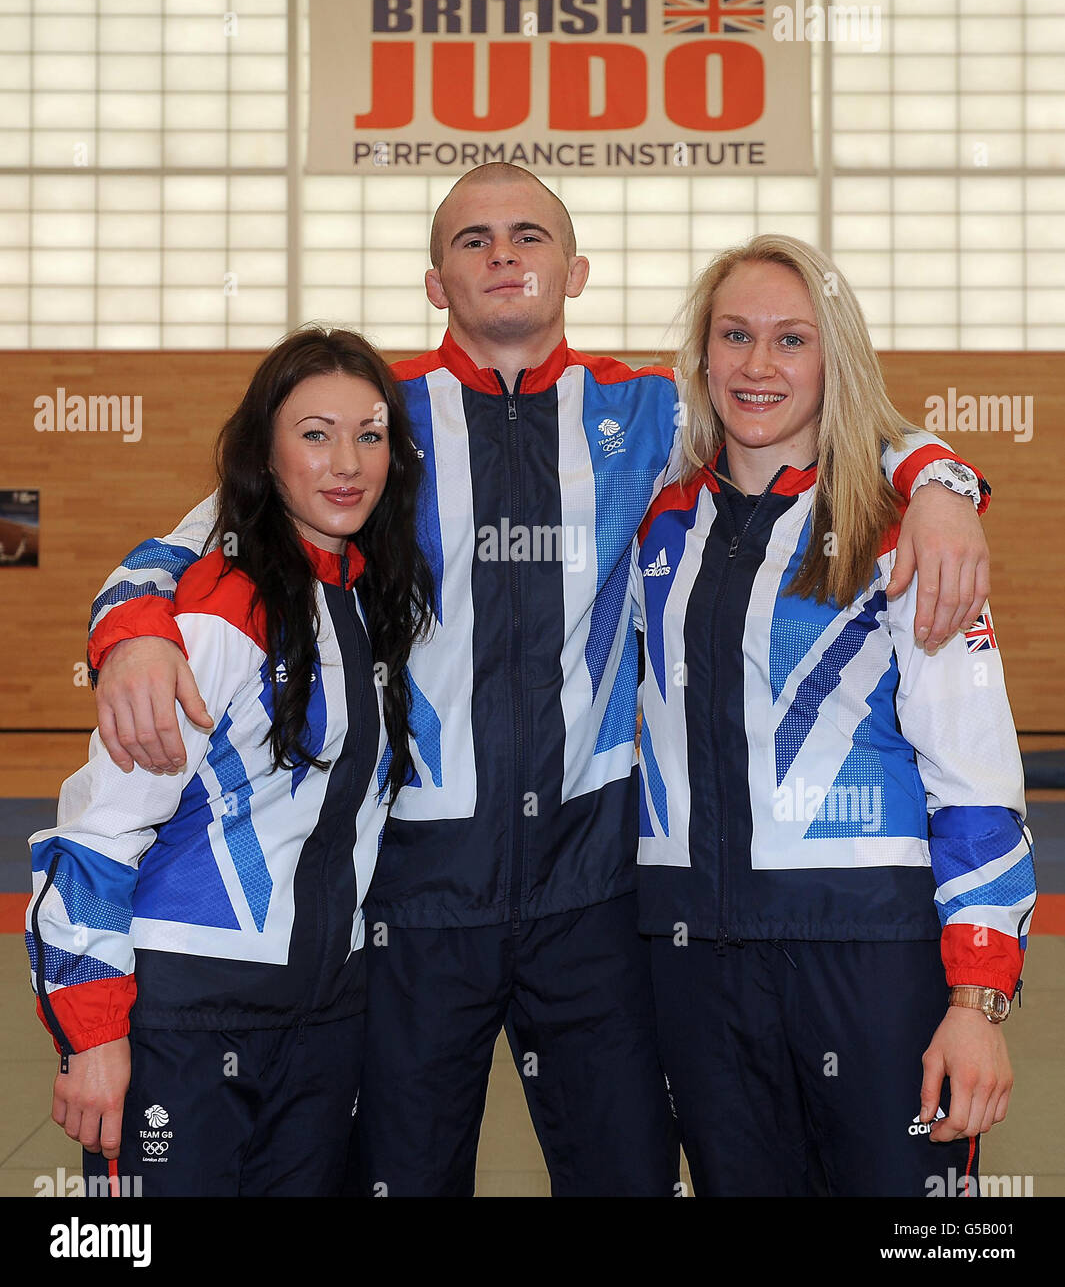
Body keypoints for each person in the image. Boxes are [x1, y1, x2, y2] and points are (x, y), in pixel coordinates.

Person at [83, 167, 992, 1198]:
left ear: (576, 269)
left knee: (628, 1177)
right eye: (473, 240)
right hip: (416, 901)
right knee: (399, 1178)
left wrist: (944, 483)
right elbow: (192, 538)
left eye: (528, 235)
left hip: (592, 900)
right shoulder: (372, 423)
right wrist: (132, 631)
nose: (503, 255)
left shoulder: (650, 414)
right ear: (435, 281)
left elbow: (821, 410)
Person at [632, 235, 1036, 1197]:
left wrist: (978, 1001)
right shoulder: (650, 514)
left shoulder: (903, 534)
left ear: (833, 357)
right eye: (734, 336)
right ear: (700, 356)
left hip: (869, 958)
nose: (758, 366)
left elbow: (975, 774)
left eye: (790, 340)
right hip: (691, 959)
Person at [27, 328, 433, 1197]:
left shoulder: (370, 600)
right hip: (182, 1026)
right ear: (266, 452)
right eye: (314, 434)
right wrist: (91, 1039)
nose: (346, 462)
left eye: (369, 434)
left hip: (320, 1025)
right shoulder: (216, 611)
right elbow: (97, 835)